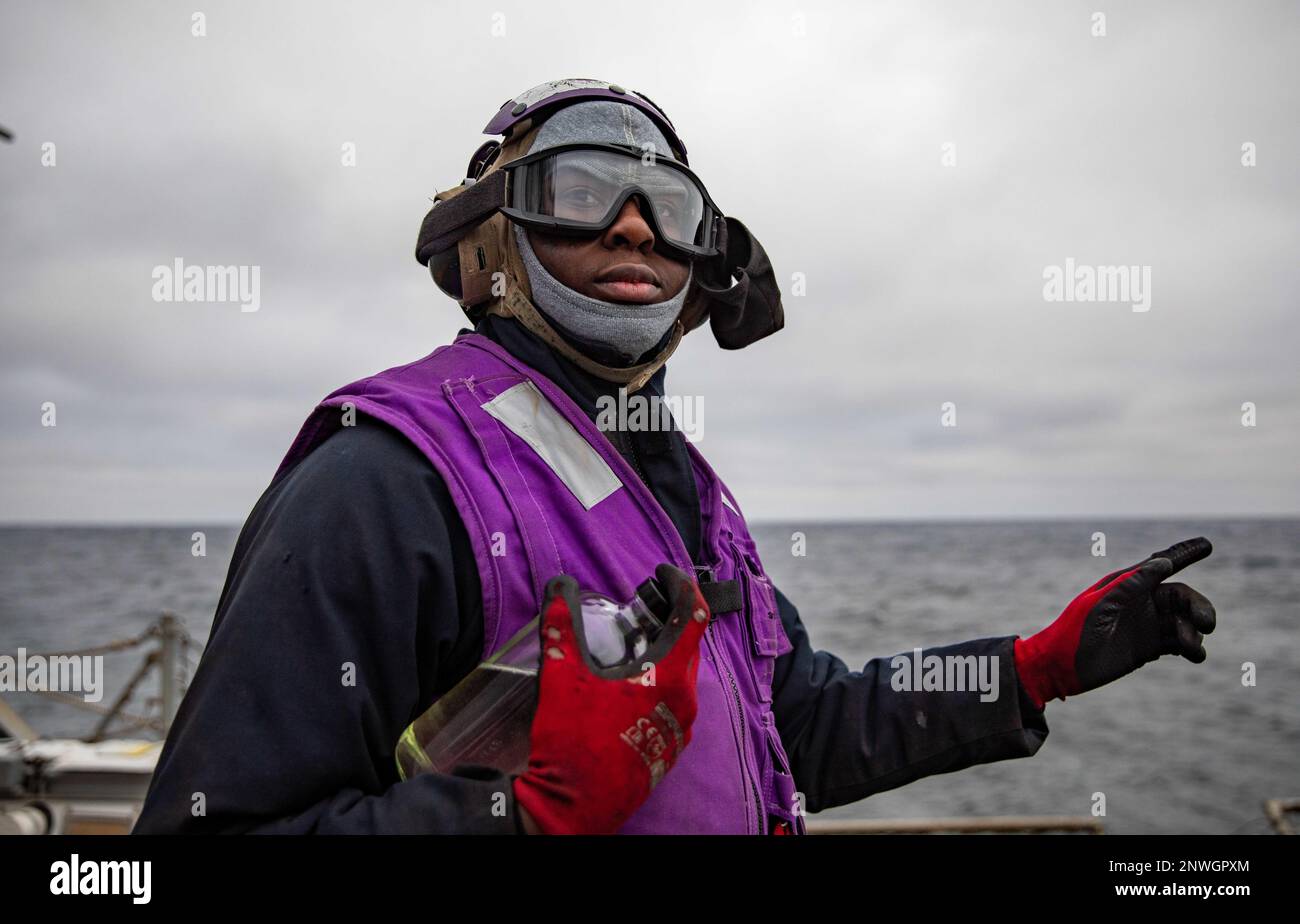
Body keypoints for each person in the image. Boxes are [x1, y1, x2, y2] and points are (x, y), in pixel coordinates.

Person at [133, 79, 1217, 835]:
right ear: (492, 247)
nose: (637, 229)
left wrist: (1028, 670)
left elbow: (794, 725)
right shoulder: (386, 484)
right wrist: (519, 817)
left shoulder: (681, 495)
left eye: (671, 209)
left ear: (707, 276)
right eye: (581, 191)